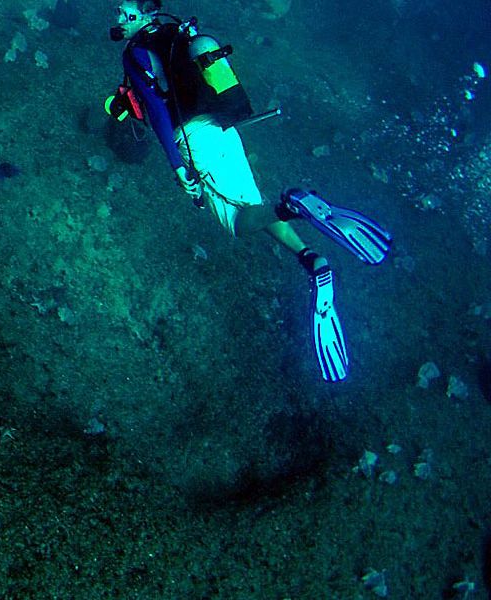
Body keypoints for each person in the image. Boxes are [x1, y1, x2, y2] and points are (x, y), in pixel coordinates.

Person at [104, 0, 393, 381]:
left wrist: (177, 165)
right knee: (252, 204)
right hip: (223, 130)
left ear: (143, 14)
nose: (117, 19)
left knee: (237, 222)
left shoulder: (135, 52)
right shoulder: (176, 34)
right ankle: (310, 258)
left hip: (193, 141)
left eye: (123, 12)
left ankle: (294, 206)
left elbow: (158, 111)